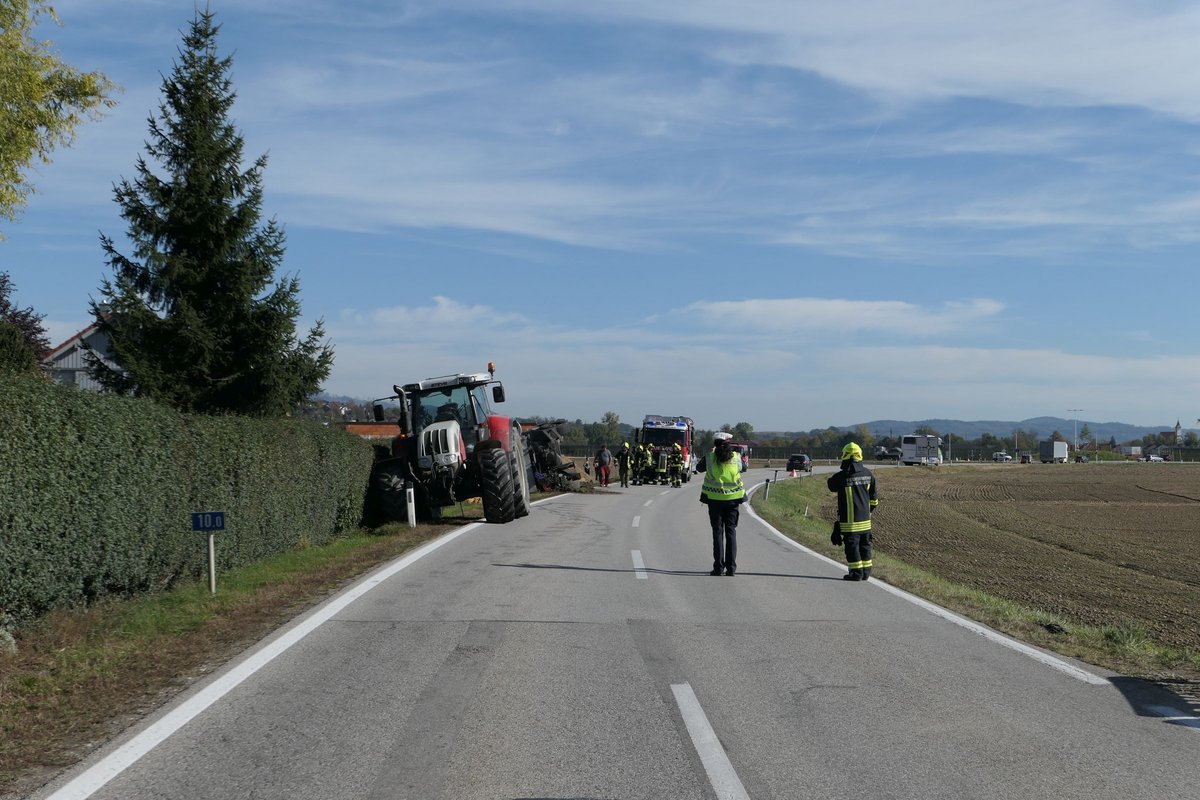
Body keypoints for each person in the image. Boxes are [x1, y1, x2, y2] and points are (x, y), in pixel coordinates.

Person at [827, 442, 879, 581]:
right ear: (859, 455)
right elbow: (874, 500)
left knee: (852, 548)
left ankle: (856, 573)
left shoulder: (842, 476)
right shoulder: (868, 474)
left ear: (844, 456)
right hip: (866, 523)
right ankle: (866, 573)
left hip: (850, 523)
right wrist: (868, 512)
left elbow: (831, 485)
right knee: (865, 547)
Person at [700, 432, 745, 576]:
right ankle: (731, 568)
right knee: (731, 532)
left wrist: (711, 453)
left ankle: (718, 567)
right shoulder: (736, 457)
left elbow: (699, 468)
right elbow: (744, 468)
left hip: (714, 501)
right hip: (733, 500)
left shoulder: (710, 457)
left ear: (715, 444)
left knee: (717, 532)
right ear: (729, 444)